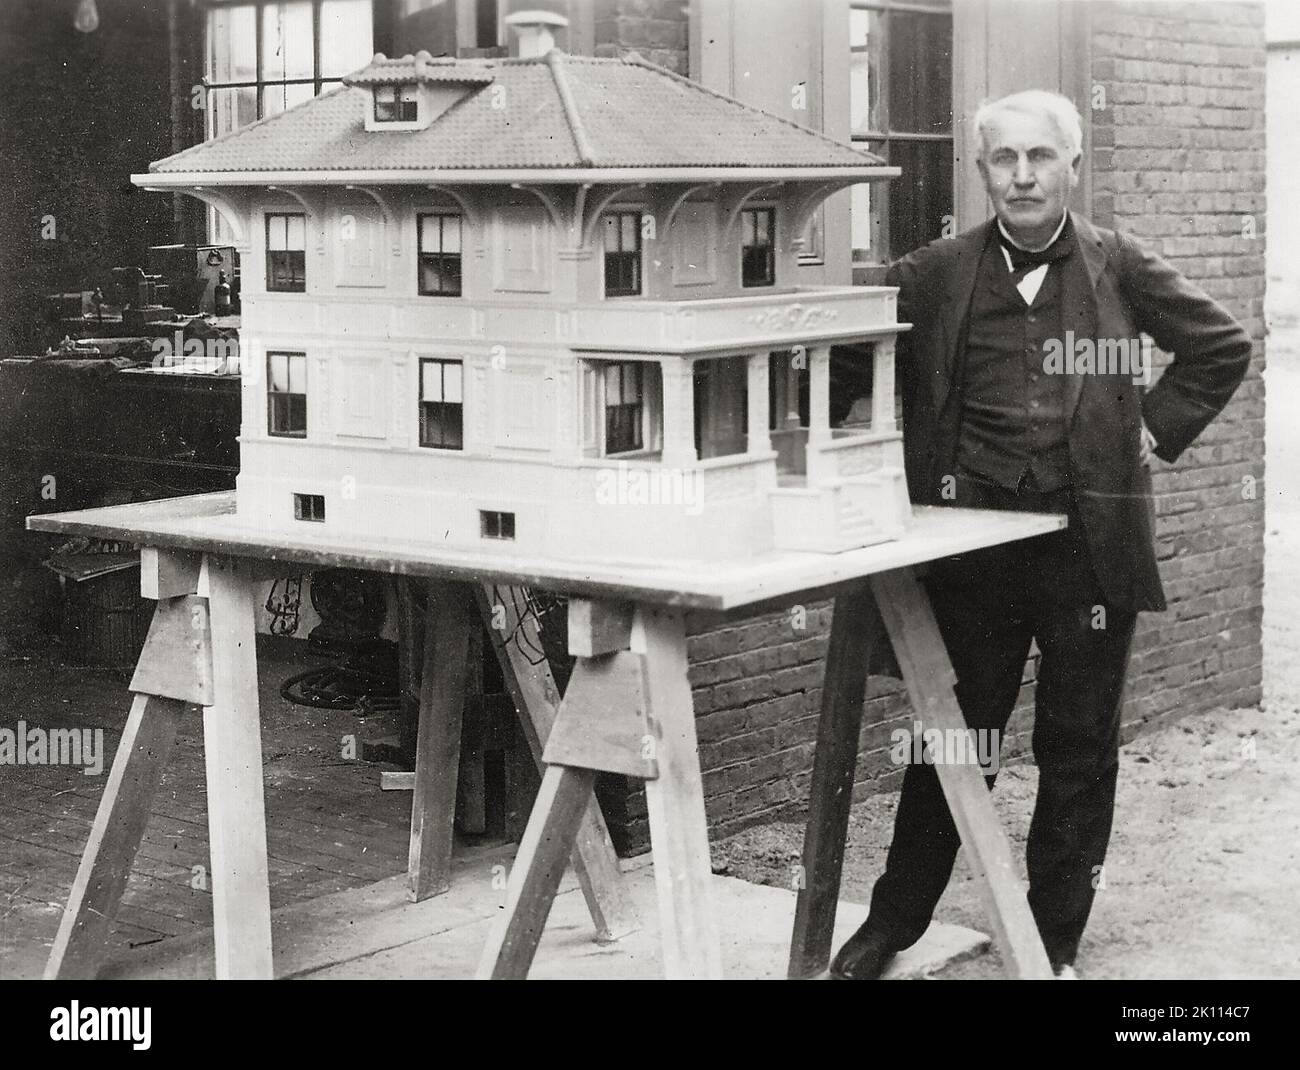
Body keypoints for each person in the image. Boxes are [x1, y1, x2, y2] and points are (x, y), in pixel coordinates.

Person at [831, 89, 1253, 979]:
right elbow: (838, 348)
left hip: (1087, 547)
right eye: (1002, 159)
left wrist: (1151, 427)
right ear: (982, 170)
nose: (1021, 176)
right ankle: (892, 925)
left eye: (1040, 157)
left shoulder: (1116, 264)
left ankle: (1052, 937)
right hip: (972, 543)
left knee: (1077, 747)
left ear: (1072, 164)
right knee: (953, 741)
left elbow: (1220, 345)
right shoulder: (937, 271)